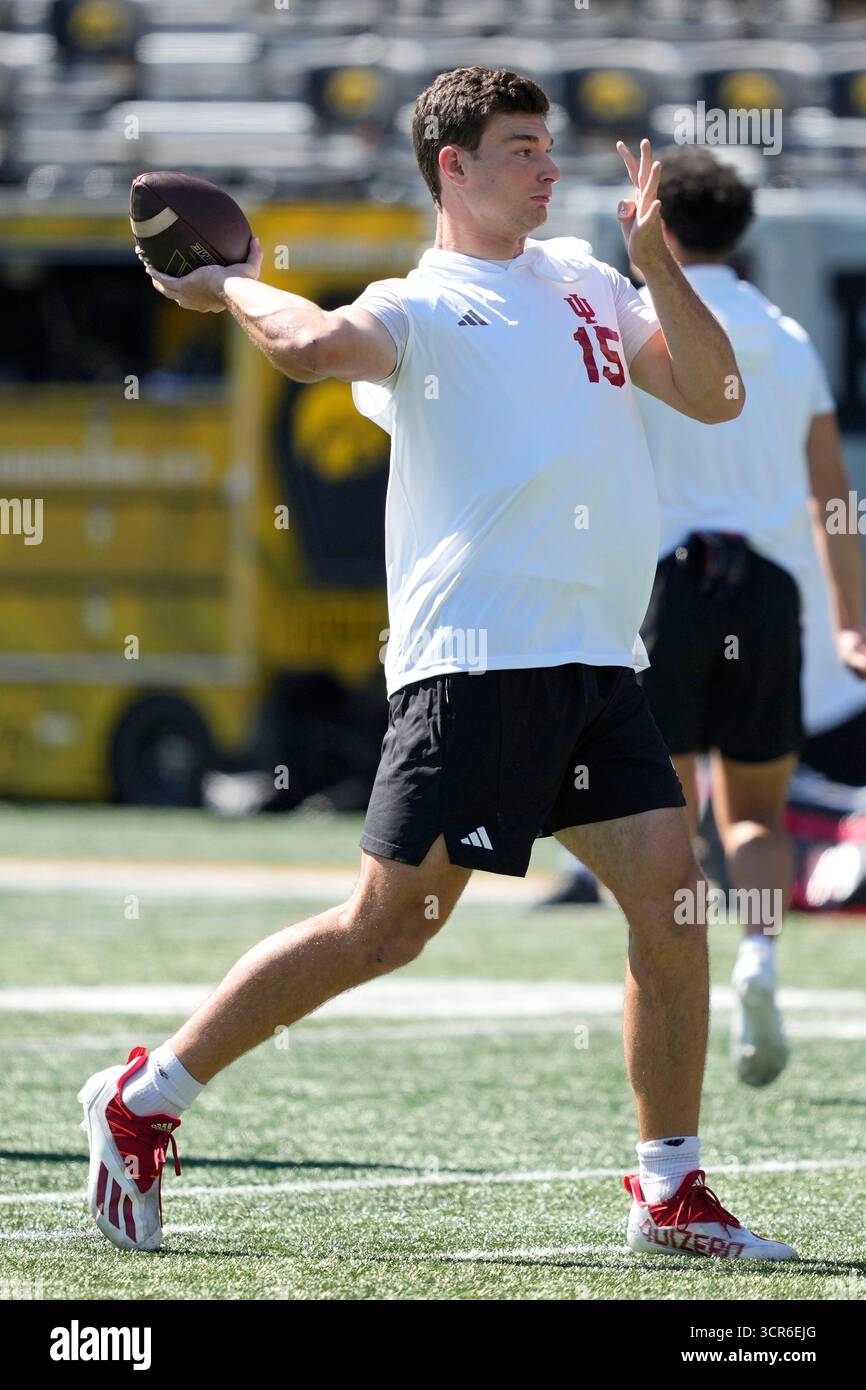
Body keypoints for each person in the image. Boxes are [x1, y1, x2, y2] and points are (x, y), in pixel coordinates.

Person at [78, 68, 796, 1261]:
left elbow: (715, 396)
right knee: (385, 928)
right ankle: (145, 1095)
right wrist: (232, 285)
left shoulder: (584, 279)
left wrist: (657, 259)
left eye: (547, 144)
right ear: (449, 167)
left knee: (672, 908)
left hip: (593, 662)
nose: (547, 166)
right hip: (474, 664)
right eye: (520, 147)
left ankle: (667, 1188)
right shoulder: (416, 304)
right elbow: (309, 348)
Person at [601, 150, 864, 1089]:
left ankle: (671, 988)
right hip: (766, 591)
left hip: (663, 588)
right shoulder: (789, 338)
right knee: (754, 813)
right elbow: (835, 497)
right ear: (741, 229)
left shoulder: (635, 318)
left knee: (661, 821)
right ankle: (760, 954)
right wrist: (851, 619)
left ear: (657, 227)